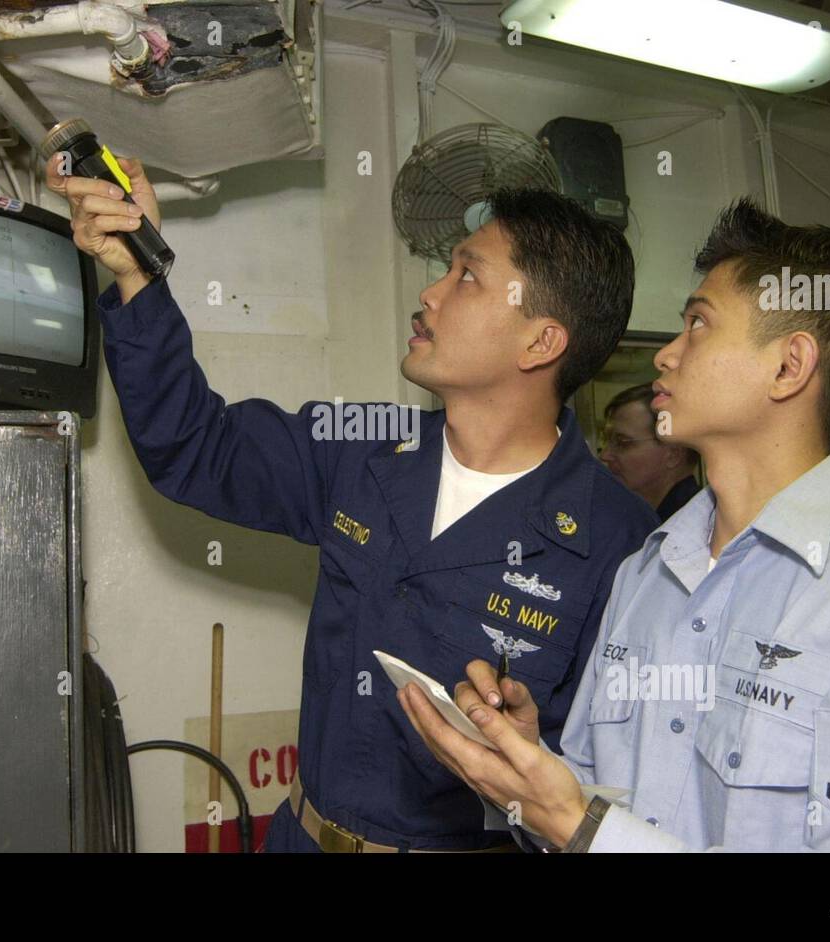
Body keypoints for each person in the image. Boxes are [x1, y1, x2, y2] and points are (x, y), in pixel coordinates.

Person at [46, 154, 659, 852]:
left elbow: (619, 785)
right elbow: (195, 446)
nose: (429, 294)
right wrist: (137, 274)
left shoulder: (623, 546)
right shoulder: (362, 449)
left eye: (466, 276)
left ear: (541, 341)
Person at [401, 197, 830, 852]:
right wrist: (534, 772)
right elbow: (593, 806)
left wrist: (582, 829)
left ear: (789, 366)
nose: (666, 355)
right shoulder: (647, 573)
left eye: (697, 324)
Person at [599, 383, 700, 521]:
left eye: (622, 443)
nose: (605, 455)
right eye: (606, 440)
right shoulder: (645, 518)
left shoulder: (695, 527)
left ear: (673, 455)